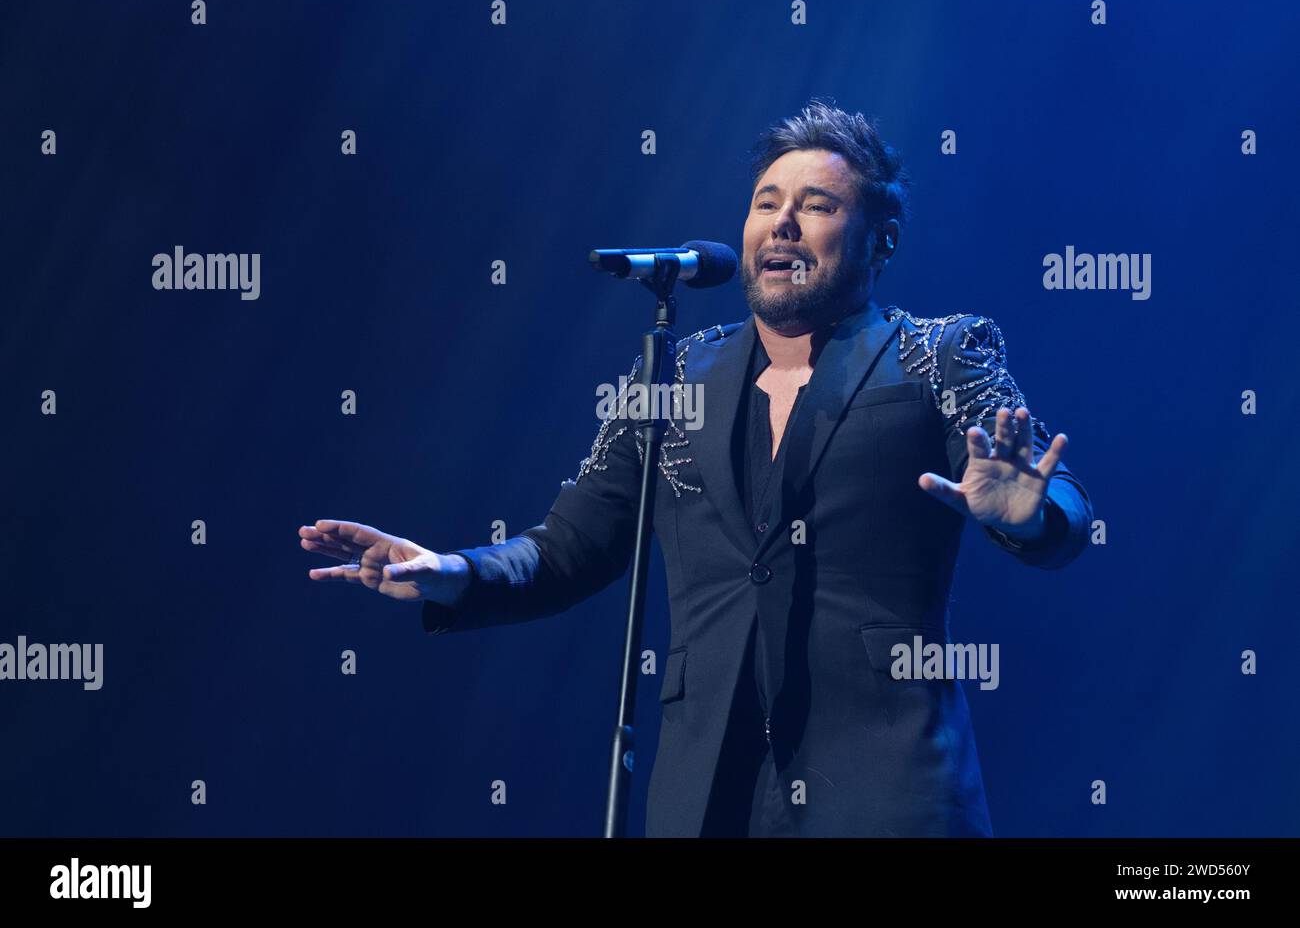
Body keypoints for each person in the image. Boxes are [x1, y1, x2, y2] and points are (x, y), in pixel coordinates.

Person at [298, 98, 1093, 837]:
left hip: (887, 790)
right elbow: (570, 544)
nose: (782, 223)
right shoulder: (674, 378)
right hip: (707, 790)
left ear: (879, 239)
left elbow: (1057, 499)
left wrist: (1035, 515)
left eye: (816, 206)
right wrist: (453, 572)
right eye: (766, 202)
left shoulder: (938, 354)